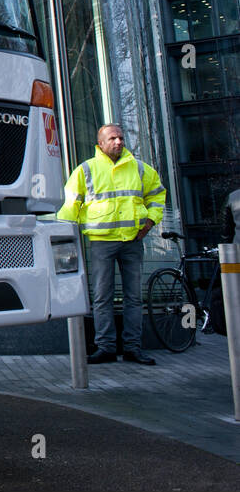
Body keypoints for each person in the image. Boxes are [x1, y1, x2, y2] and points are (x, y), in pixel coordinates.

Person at [57, 123, 165, 366]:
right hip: (102, 243)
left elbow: (157, 195)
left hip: (132, 241)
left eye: (121, 138)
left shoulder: (139, 168)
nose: (118, 142)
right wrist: (62, 237)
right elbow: (70, 205)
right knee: (102, 297)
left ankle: (132, 348)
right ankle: (105, 347)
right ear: (101, 144)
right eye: (113, 138)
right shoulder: (86, 170)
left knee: (133, 297)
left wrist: (149, 223)